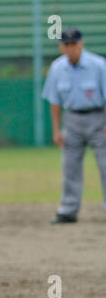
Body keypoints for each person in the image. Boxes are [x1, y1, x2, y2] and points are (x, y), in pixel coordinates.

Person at [42, 27, 106, 223]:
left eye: (74, 44)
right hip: (72, 120)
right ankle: (68, 209)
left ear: (81, 44)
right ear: (61, 47)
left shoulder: (99, 65)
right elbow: (54, 101)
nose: (71, 49)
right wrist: (56, 129)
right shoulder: (57, 68)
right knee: (70, 167)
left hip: (98, 118)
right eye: (66, 45)